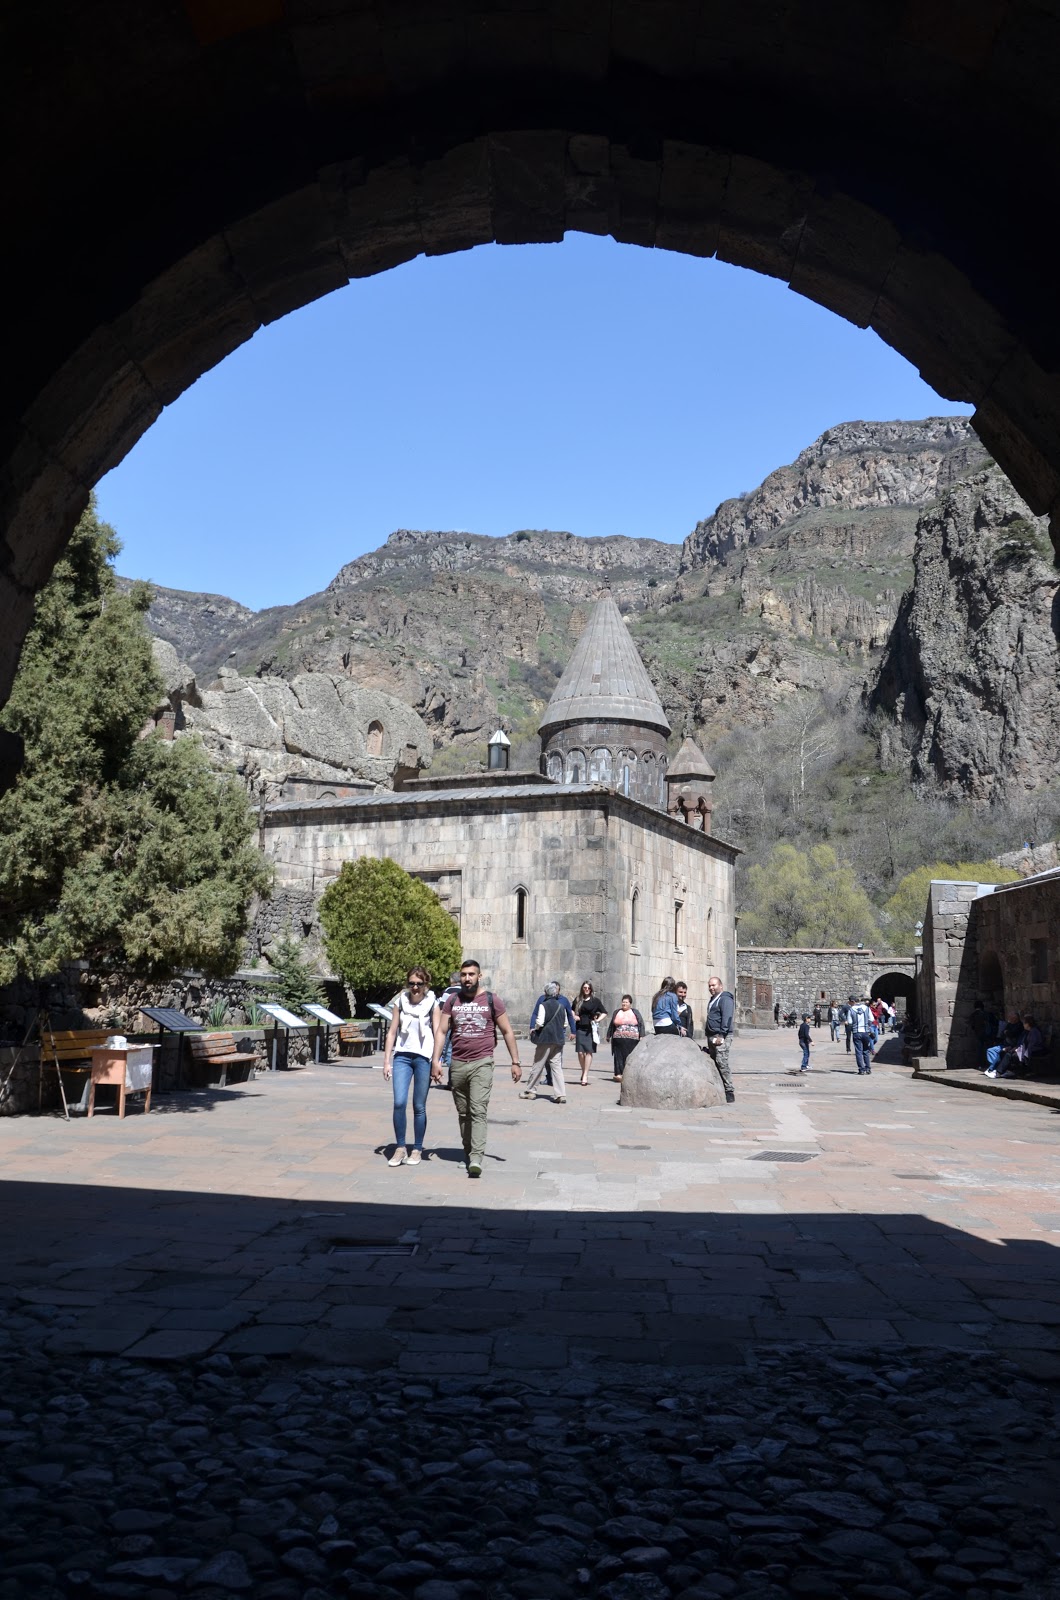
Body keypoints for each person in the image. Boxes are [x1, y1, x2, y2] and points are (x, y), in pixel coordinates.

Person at [432, 959, 521, 1178]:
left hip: (482, 1062)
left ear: (479, 976)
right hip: (458, 1064)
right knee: (463, 1113)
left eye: (471, 974)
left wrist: (515, 1061)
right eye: (463, 974)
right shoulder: (452, 1001)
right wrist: (436, 1060)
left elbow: (507, 1031)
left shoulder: (492, 1000)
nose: (467, 978)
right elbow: (442, 1031)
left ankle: (476, 1158)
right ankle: (468, 1151)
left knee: (478, 1110)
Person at [382, 967, 437, 1167]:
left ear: (426, 985)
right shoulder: (401, 1003)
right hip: (402, 1057)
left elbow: (439, 1033)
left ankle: (417, 1148)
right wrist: (387, 1061)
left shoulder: (433, 1004)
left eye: (419, 984)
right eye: (412, 983)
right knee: (399, 1102)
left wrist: (437, 1062)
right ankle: (400, 1147)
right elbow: (392, 1032)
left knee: (419, 1106)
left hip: (424, 1057)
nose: (415, 987)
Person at [522, 980, 576, 1102]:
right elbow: (565, 1023)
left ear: (546, 993)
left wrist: (535, 1029)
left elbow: (539, 1022)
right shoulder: (561, 1006)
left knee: (538, 1064)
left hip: (545, 1039)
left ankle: (531, 1091)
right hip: (558, 1039)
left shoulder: (543, 1005)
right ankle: (561, 1094)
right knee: (556, 1066)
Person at [705, 974, 736, 1104]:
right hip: (712, 1036)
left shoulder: (725, 999)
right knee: (714, 1061)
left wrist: (722, 1035)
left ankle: (729, 1090)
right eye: (710, 985)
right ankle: (719, 1087)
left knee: (721, 1061)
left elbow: (727, 1017)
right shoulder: (713, 999)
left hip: (721, 1035)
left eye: (714, 985)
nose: (711, 987)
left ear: (720, 986)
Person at [573, 979, 607, 1086]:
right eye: (585, 988)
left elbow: (604, 1012)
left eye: (588, 988)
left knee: (588, 1051)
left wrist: (597, 1020)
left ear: (591, 989)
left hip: (590, 1029)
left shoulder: (595, 1001)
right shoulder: (578, 1000)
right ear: (582, 989)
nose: (586, 989)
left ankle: (585, 1075)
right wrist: (574, 1016)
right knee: (580, 1052)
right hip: (580, 1027)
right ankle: (583, 1070)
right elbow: (571, 1010)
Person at [607, 993, 645, 1081]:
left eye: (626, 1002)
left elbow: (641, 1023)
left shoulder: (635, 1012)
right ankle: (619, 1074)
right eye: (623, 1002)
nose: (624, 1004)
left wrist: (642, 1035)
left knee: (629, 1056)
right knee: (618, 1056)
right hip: (618, 1039)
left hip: (632, 1040)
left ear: (630, 1003)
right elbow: (611, 1024)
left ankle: (629, 1075)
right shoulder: (617, 1012)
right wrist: (608, 1035)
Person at [985, 1011, 1025, 1078]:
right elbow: (1004, 1032)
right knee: (990, 1050)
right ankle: (993, 1067)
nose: (1009, 1019)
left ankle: (996, 1070)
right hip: (1005, 1044)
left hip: (1013, 1046)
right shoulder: (1009, 1024)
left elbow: (1013, 1034)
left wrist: (1013, 1046)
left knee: (1005, 1053)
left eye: (1010, 1017)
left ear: (1015, 1018)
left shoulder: (1019, 1026)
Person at [848, 994, 874, 1075]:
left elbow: (849, 1022)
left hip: (856, 1032)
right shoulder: (866, 1008)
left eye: (850, 1002)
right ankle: (868, 1068)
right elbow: (872, 1019)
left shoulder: (851, 1009)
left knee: (858, 1051)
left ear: (853, 1001)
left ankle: (861, 1069)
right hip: (865, 1032)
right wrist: (867, 1024)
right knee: (866, 1050)